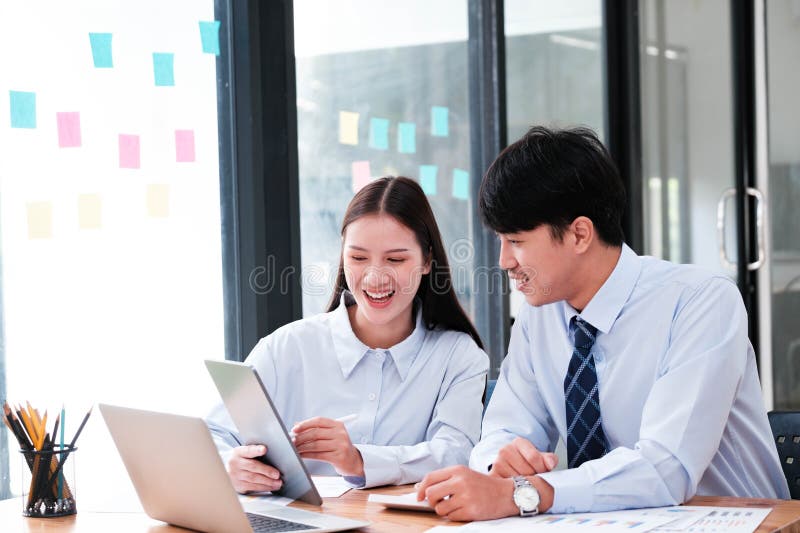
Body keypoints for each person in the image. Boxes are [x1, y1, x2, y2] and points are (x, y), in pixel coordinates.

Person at [415, 126, 789, 520]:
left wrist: (527, 493)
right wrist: (501, 466)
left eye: (517, 241)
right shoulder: (538, 316)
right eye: (500, 241)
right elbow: (502, 430)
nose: (504, 261)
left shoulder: (701, 301)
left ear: (579, 234)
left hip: (737, 523)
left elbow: (667, 468)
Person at [206, 176, 489, 492]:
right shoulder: (285, 347)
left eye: (395, 259)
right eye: (358, 258)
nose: (375, 276)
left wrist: (358, 460)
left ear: (426, 261)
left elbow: (456, 452)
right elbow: (213, 436)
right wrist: (230, 465)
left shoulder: (458, 356)